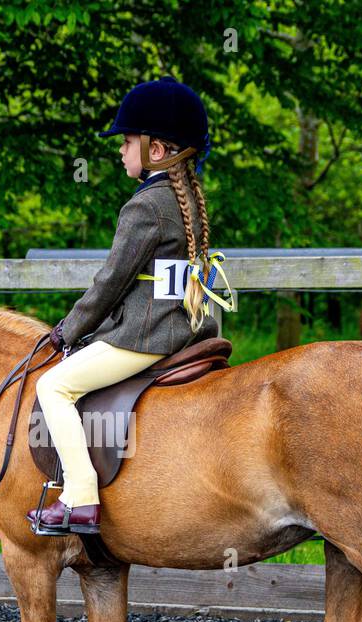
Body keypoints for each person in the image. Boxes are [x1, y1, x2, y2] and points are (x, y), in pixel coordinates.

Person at [28, 76, 222, 535]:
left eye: (128, 140)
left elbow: (110, 283)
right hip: (186, 327)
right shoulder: (189, 197)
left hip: (145, 335)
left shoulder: (145, 207)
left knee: (53, 387)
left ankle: (79, 496)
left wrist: (66, 331)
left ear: (156, 150)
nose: (121, 149)